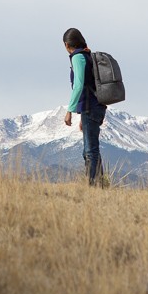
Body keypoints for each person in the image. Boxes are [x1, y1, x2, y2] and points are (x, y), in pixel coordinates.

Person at [63, 28, 107, 186]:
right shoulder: (87, 55)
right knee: (90, 149)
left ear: (67, 45)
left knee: (90, 150)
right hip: (94, 107)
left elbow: (79, 85)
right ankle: (99, 183)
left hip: (91, 107)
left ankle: (94, 186)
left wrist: (70, 111)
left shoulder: (78, 57)